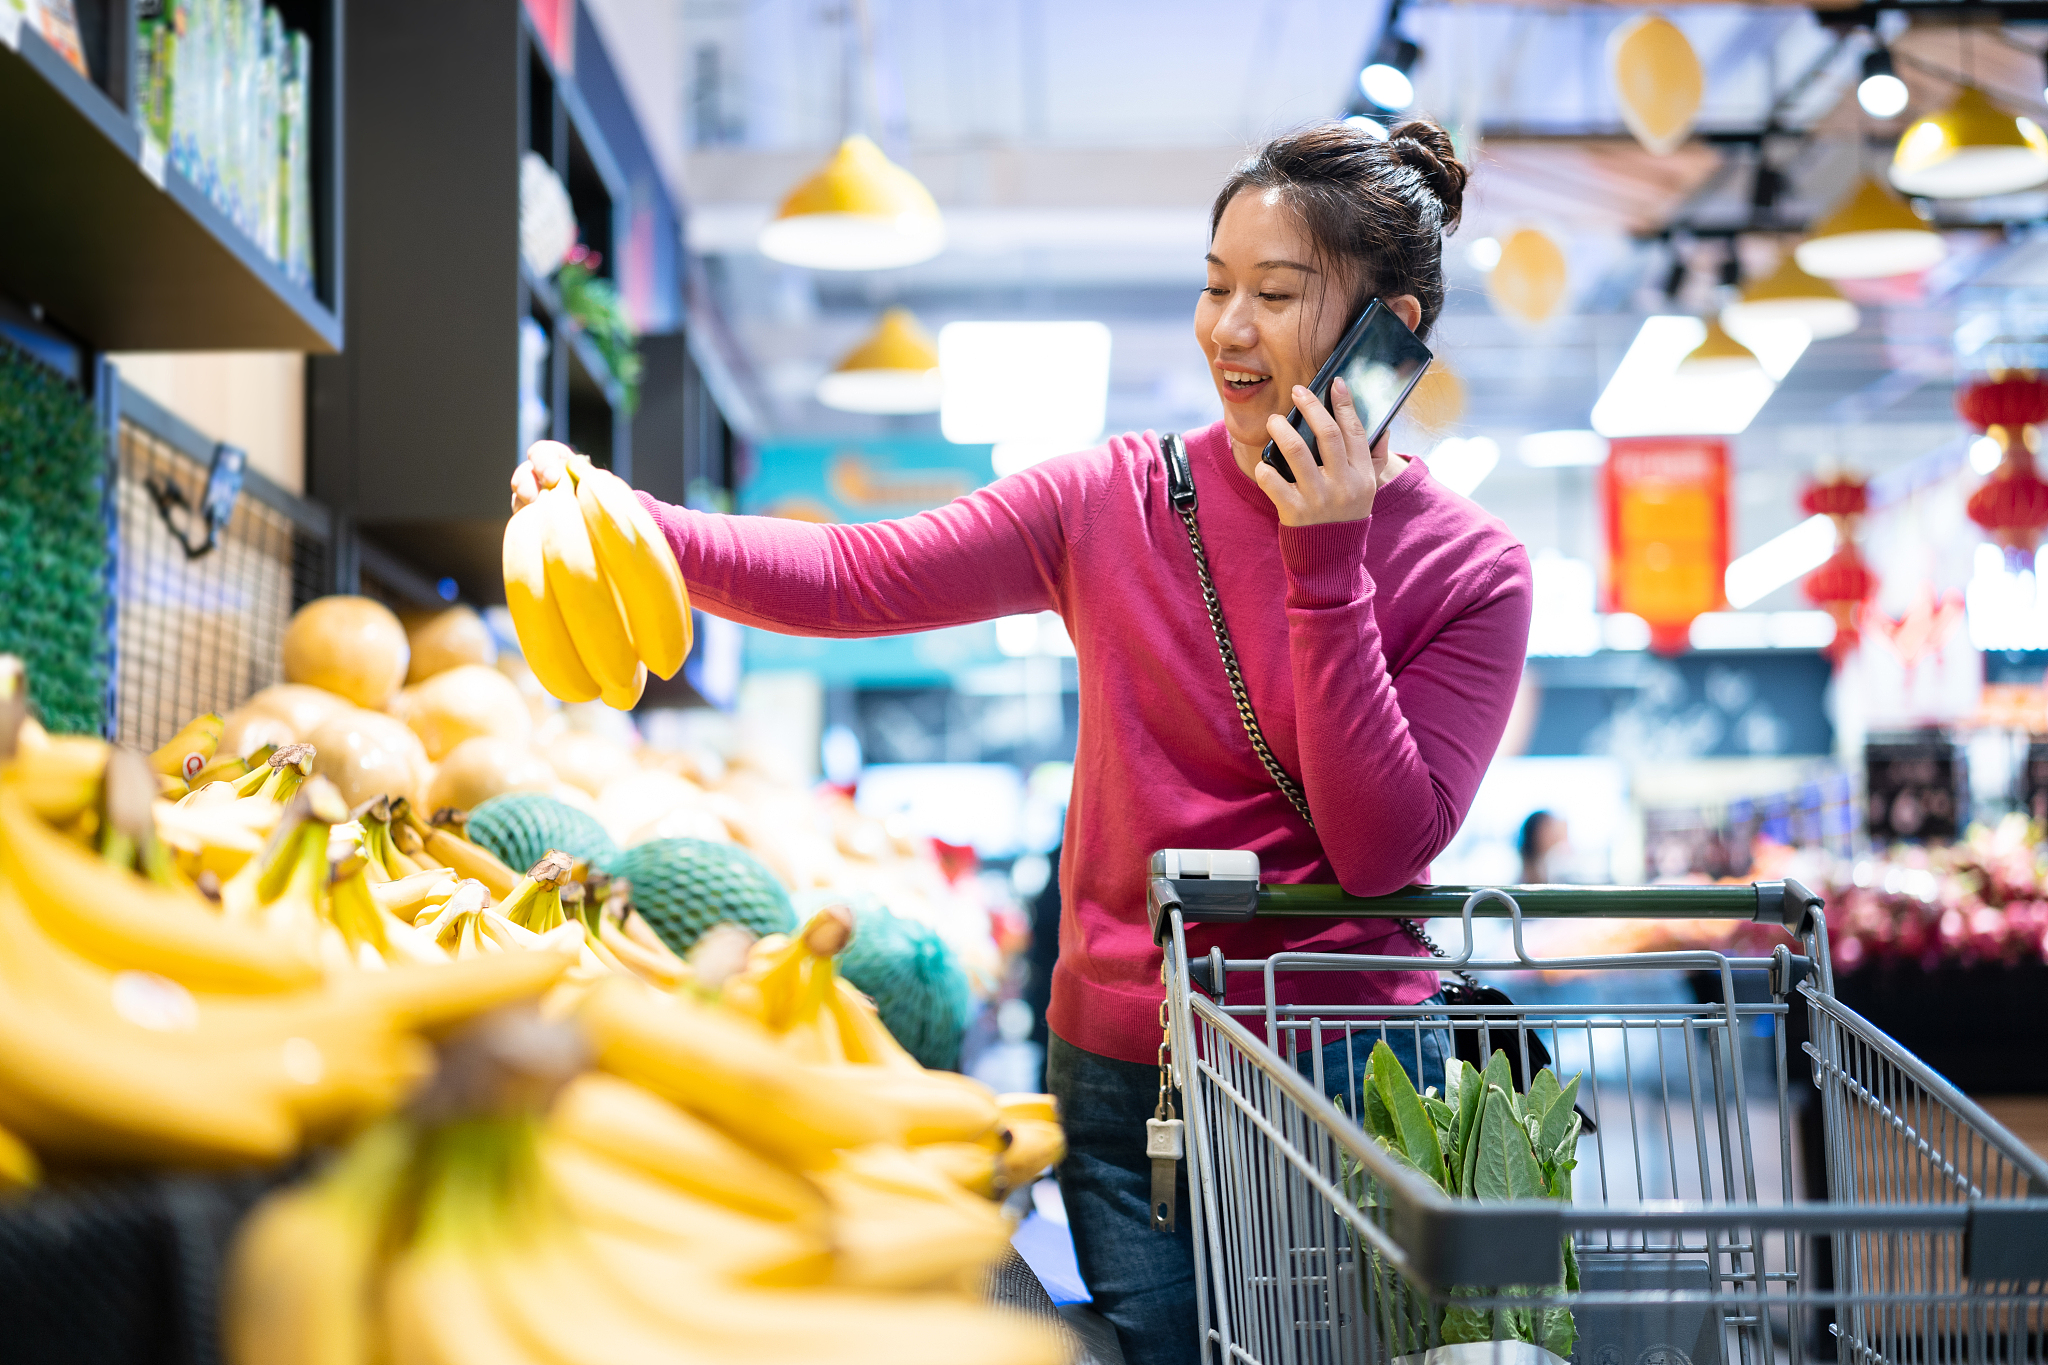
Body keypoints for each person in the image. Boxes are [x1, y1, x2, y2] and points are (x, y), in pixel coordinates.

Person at [511, 117, 1531, 1365]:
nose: (1226, 331)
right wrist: (633, 525)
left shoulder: (1471, 570)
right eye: (1213, 288)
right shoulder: (1111, 499)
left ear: (1394, 330)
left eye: (1274, 295)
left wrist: (1326, 563)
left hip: (1345, 1065)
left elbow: (1377, 853)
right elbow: (855, 570)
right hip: (1119, 1059)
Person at [1519, 809, 1568, 883]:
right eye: (1549, 826)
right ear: (1535, 833)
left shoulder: (1550, 863)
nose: (1555, 832)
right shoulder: (1527, 873)